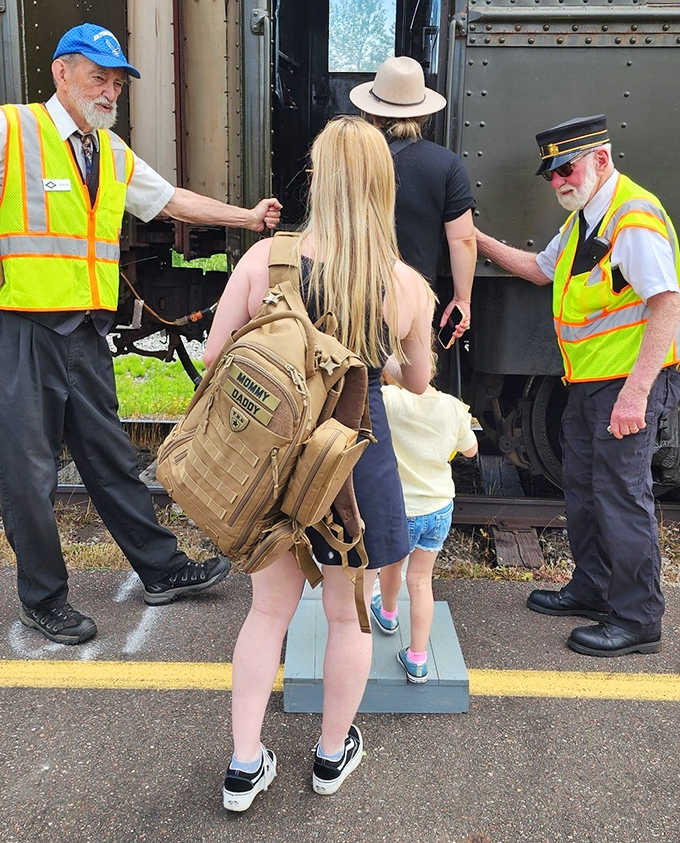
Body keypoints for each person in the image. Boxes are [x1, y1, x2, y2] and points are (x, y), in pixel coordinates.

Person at [0, 23, 282, 646]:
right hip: (22, 330)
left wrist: (246, 217)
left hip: (84, 332)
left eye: (117, 84)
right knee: (28, 474)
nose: (109, 92)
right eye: (98, 78)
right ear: (61, 74)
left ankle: (161, 569)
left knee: (111, 457)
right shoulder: (13, 129)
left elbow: (171, 200)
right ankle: (43, 602)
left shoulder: (110, 152)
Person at [203, 116, 433, 810]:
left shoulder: (266, 261)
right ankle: (331, 757)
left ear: (318, 179)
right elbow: (418, 380)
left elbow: (215, 358)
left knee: (266, 612)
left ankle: (245, 766)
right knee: (346, 616)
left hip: (273, 459)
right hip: (353, 462)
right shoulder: (403, 283)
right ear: (383, 187)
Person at [475, 114, 680, 657]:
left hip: (625, 383)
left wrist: (636, 393)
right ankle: (593, 588)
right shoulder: (584, 219)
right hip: (588, 382)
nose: (559, 181)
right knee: (585, 489)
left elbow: (667, 305)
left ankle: (638, 618)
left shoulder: (632, 218)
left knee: (621, 496)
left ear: (601, 159)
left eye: (567, 168)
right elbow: (539, 270)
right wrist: (477, 240)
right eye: (552, 174)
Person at [350, 55, 476, 346]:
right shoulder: (447, 164)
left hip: (351, 295)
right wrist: (462, 299)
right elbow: (463, 240)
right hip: (414, 300)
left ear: (373, 114)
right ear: (422, 116)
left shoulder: (351, 159)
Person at [373, 350, 478, 681]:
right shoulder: (452, 406)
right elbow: (471, 450)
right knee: (420, 581)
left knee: (392, 567)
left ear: (390, 373)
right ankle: (418, 658)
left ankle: (388, 613)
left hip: (403, 510)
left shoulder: (389, 400)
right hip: (439, 508)